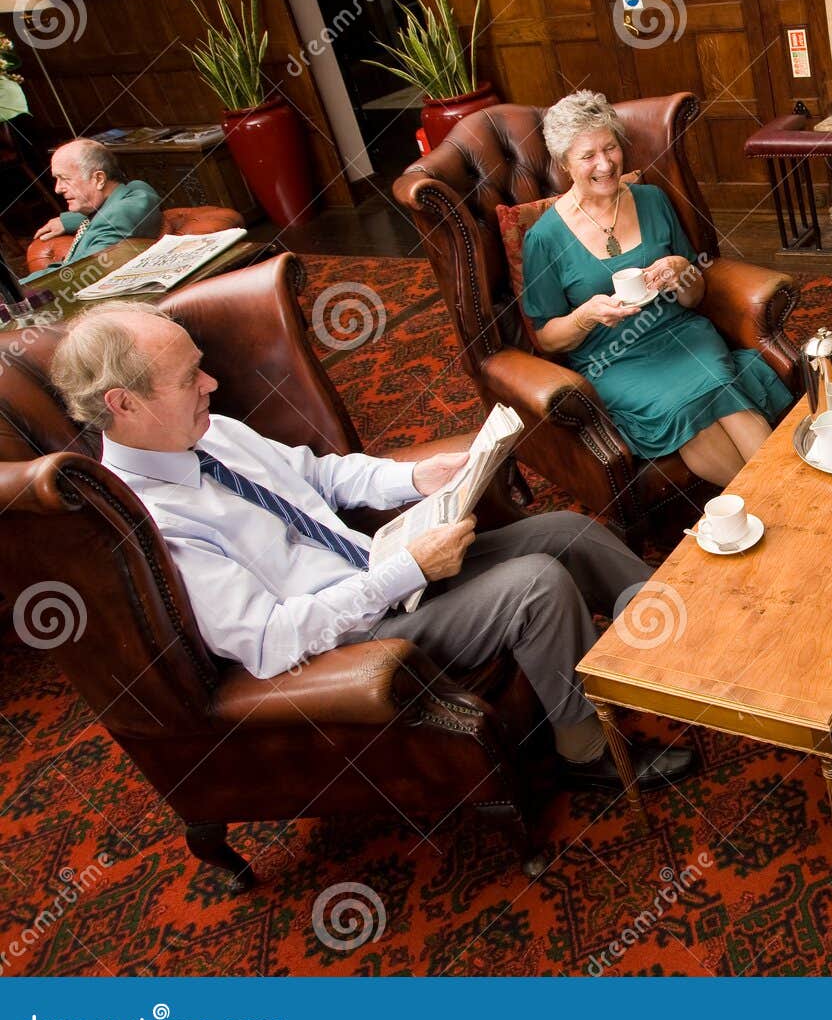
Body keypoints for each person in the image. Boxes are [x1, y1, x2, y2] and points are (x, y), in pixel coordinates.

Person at [49, 302, 695, 793]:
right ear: (122, 403)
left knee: (566, 532)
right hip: (355, 633)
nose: (211, 384)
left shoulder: (208, 434)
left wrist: (419, 477)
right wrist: (404, 571)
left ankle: (682, 636)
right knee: (537, 584)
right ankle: (586, 750)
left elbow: (320, 475)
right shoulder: (152, 523)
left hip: (384, 564)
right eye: (189, 376)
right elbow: (272, 641)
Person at [520, 90, 793, 486]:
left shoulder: (652, 200)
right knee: (680, 408)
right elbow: (547, 338)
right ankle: (777, 506)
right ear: (564, 163)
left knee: (720, 388)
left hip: (682, 334)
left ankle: (778, 502)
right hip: (613, 359)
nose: (605, 163)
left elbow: (693, 297)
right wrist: (584, 316)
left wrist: (684, 270)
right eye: (588, 156)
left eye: (610, 148)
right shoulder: (544, 238)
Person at [23, 139, 163, 283]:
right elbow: (138, 191)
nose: (58, 189)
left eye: (65, 179)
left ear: (99, 178)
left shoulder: (114, 219)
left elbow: (76, 275)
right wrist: (69, 220)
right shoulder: (137, 191)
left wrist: (15, 291)